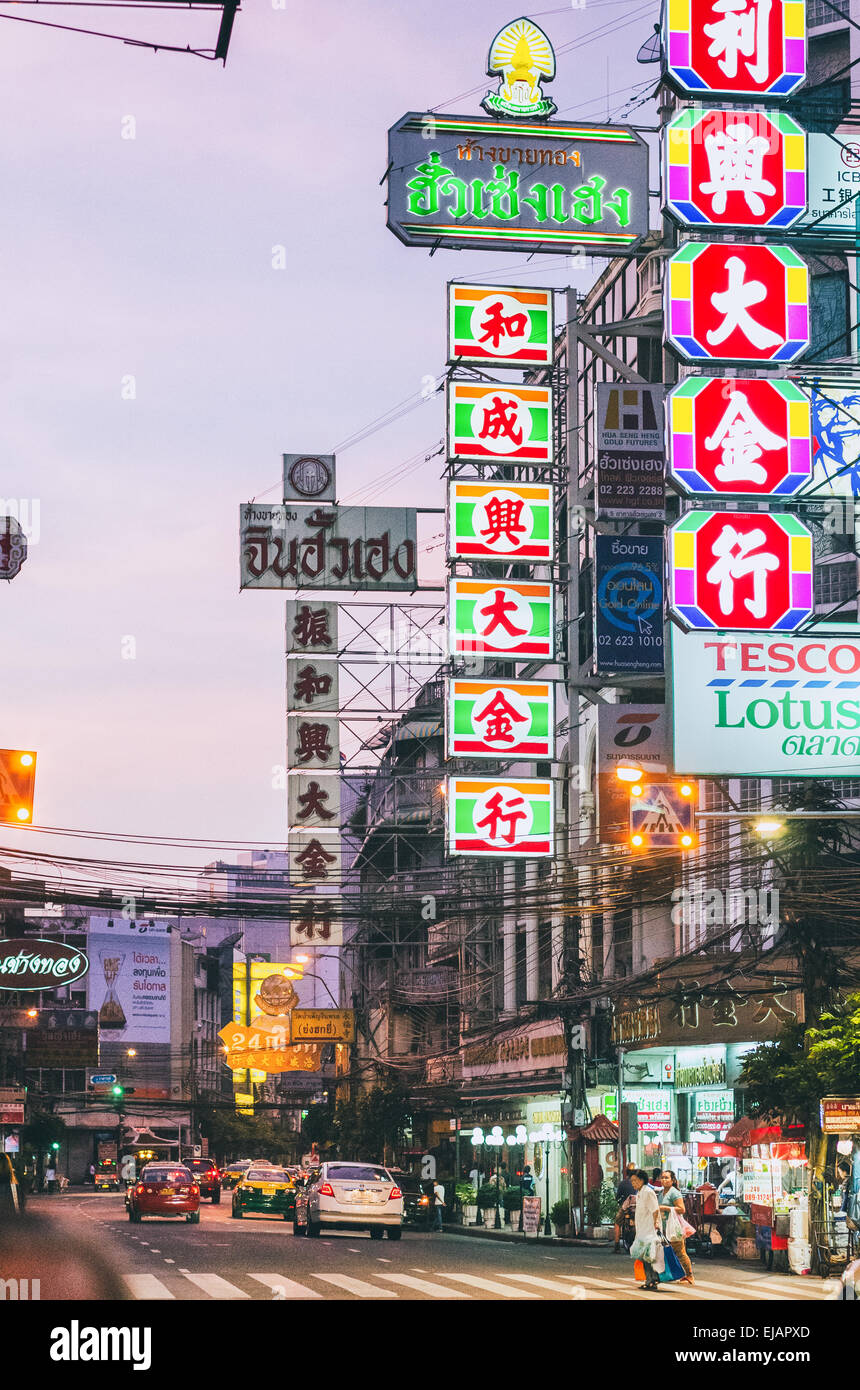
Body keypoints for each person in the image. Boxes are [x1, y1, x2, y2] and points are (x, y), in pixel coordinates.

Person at [659, 1169, 694, 1285]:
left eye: (666, 1178)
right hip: (664, 1227)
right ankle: (671, 1274)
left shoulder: (674, 1193)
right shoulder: (661, 1193)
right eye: (662, 1177)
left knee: (680, 1252)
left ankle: (689, 1276)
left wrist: (666, 1208)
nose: (664, 1180)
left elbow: (682, 1209)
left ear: (672, 1180)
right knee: (666, 1251)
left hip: (674, 1228)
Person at [630, 1169, 661, 1291]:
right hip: (642, 1229)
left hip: (649, 1229)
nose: (633, 1183)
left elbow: (655, 1209)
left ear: (642, 1180)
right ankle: (651, 1279)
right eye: (632, 1181)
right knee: (644, 1256)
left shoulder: (648, 1192)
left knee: (648, 1256)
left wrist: (656, 1223)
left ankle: (652, 1280)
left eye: (635, 1181)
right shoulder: (640, 1193)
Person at [614, 1162, 637, 1252]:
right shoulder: (640, 1183)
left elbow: (618, 1197)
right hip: (638, 1209)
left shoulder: (623, 1183)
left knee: (617, 1223)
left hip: (626, 1208)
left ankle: (616, 1246)